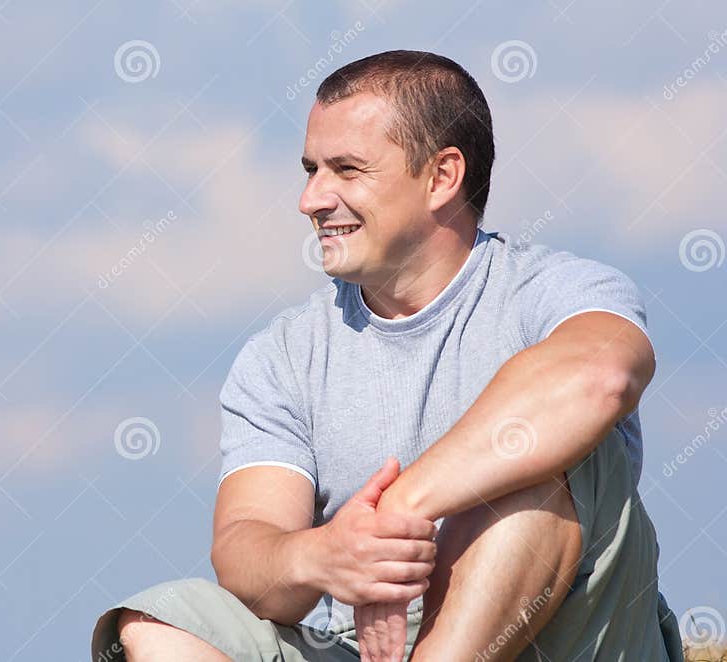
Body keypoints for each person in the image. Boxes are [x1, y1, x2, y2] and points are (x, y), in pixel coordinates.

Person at [90, 49, 684, 661]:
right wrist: (331, 555)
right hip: (362, 648)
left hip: (561, 633)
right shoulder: (283, 355)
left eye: (347, 170)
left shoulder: (558, 290)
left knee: (547, 458)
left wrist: (403, 508)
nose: (312, 199)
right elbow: (245, 551)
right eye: (310, 169)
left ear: (442, 177)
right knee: (155, 627)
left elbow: (602, 375)